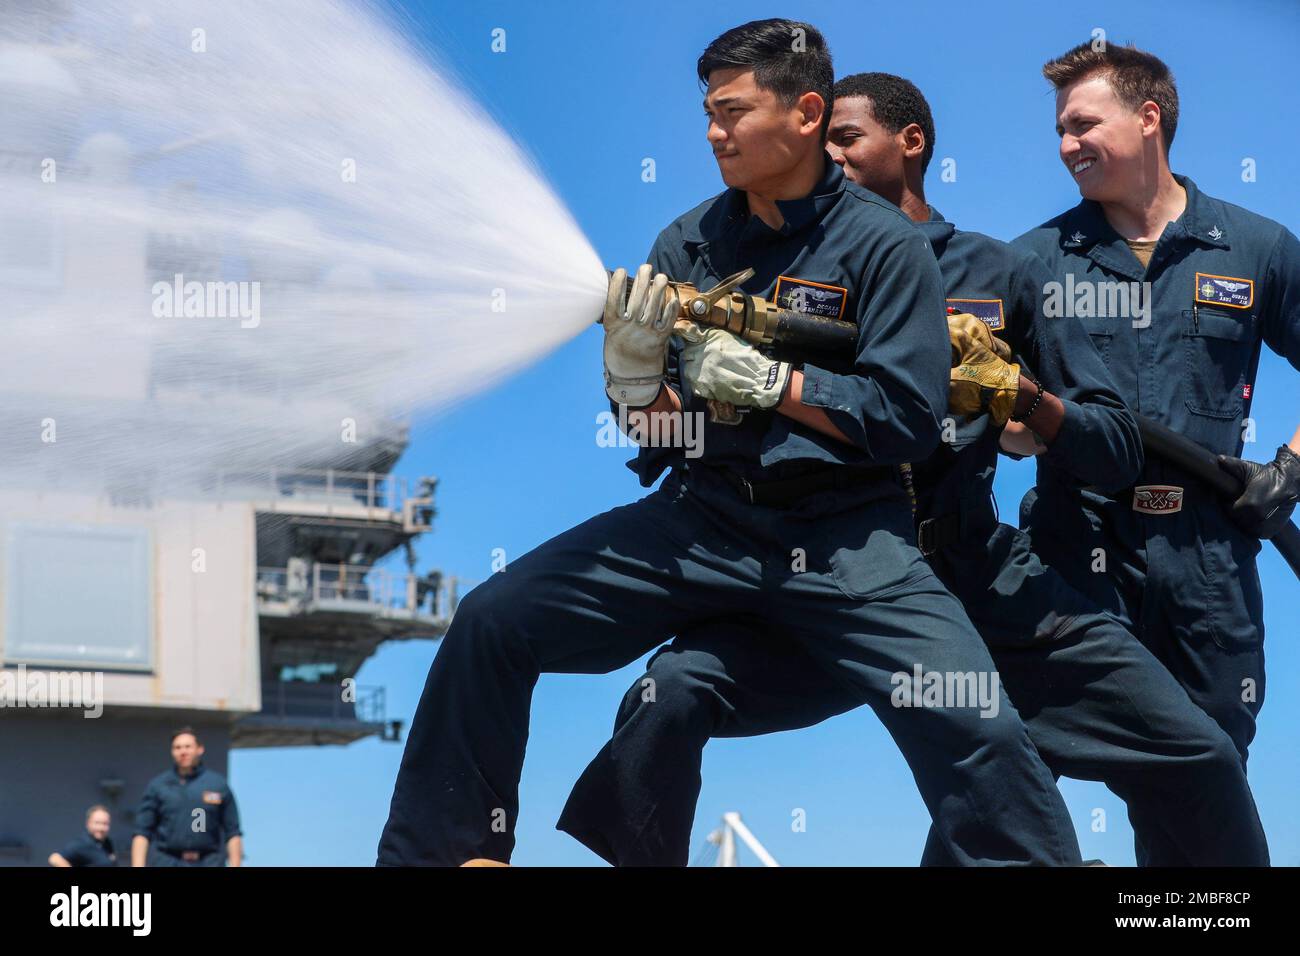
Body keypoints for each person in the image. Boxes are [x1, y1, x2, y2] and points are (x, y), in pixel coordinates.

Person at [377, 19, 1081, 867]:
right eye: (707, 113)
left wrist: (773, 384)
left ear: (806, 112)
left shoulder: (887, 247)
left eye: (731, 111)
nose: (713, 131)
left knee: (981, 728)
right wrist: (639, 382)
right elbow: (658, 433)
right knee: (491, 621)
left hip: (850, 538)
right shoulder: (689, 242)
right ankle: (451, 855)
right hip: (703, 517)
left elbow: (902, 417)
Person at [556, 72, 1268, 867]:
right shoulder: (756, 271)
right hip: (825, 567)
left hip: (972, 570)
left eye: (843, 138)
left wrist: (1019, 399)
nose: (823, 154)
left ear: (911, 143)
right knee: (670, 694)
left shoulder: (1005, 273)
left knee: (1196, 756)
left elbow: (1111, 442)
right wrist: (645, 371)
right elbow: (668, 440)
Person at [1010, 41, 1300, 864]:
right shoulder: (1030, 260)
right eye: (1059, 130)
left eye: (1081, 124)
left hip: (1209, 565)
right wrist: (1013, 418)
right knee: (1009, 761)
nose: (1065, 144)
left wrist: (1291, 468)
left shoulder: (1256, 248)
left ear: (1149, 118)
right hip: (1073, 553)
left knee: (1205, 790)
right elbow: (1000, 422)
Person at [132, 727, 243, 867]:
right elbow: (142, 832)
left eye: (188, 747)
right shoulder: (158, 786)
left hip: (208, 862)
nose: (183, 752)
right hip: (167, 861)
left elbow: (233, 833)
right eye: (177, 748)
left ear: (200, 749)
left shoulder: (217, 785)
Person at [49, 805, 117, 867]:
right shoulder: (82, 843)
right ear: (88, 823)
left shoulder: (107, 843)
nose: (101, 828)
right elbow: (54, 858)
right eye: (97, 823)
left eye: (105, 824)